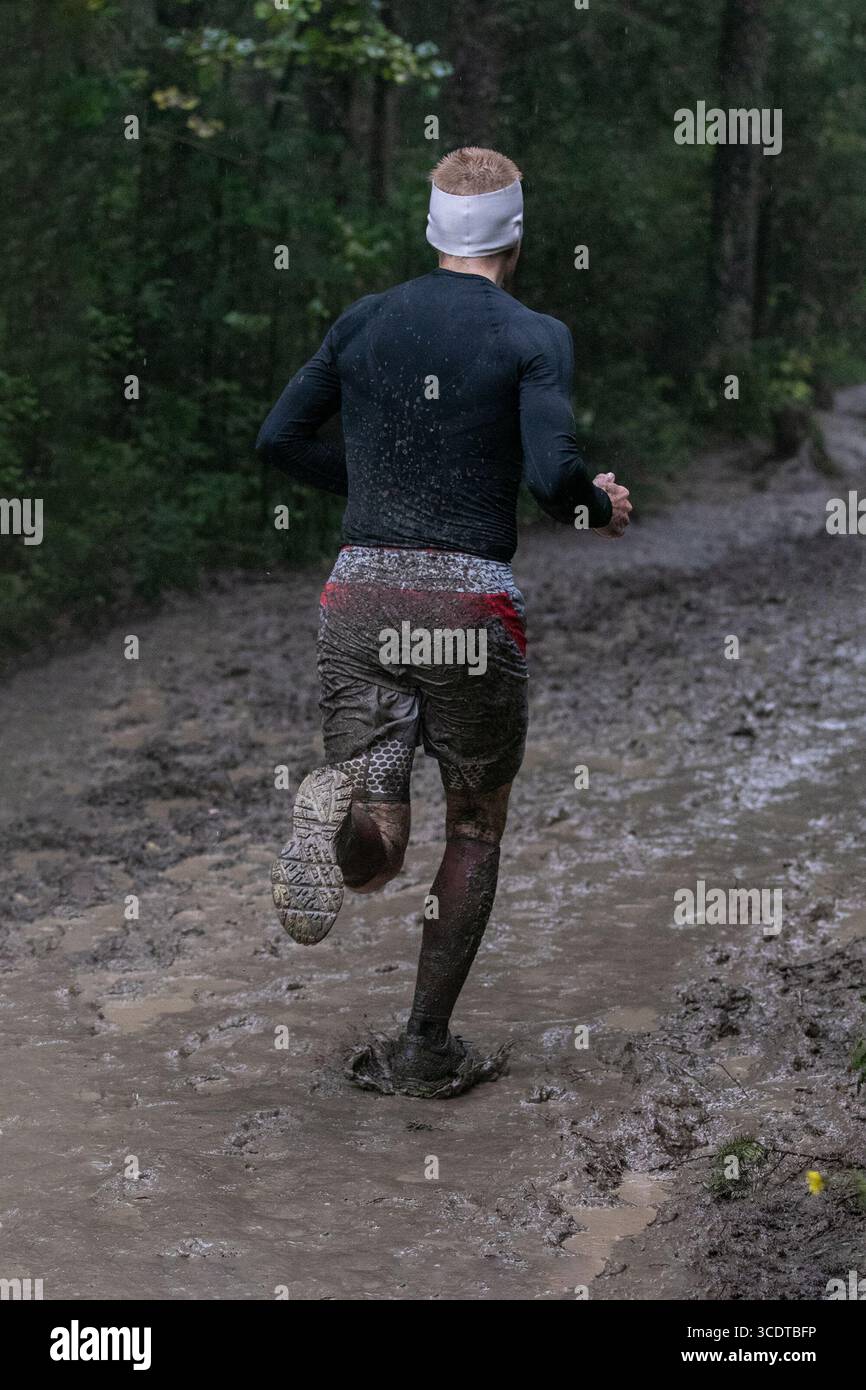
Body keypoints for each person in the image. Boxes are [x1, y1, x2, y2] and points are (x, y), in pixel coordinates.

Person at [256, 146, 631, 1095]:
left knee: (379, 846)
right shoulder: (533, 333)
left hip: (361, 601)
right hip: (465, 607)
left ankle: (331, 822)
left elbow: (278, 440)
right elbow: (554, 479)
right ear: (515, 233)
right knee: (472, 830)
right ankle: (424, 1048)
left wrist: (377, 490)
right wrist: (600, 504)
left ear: (431, 229)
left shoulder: (364, 320)